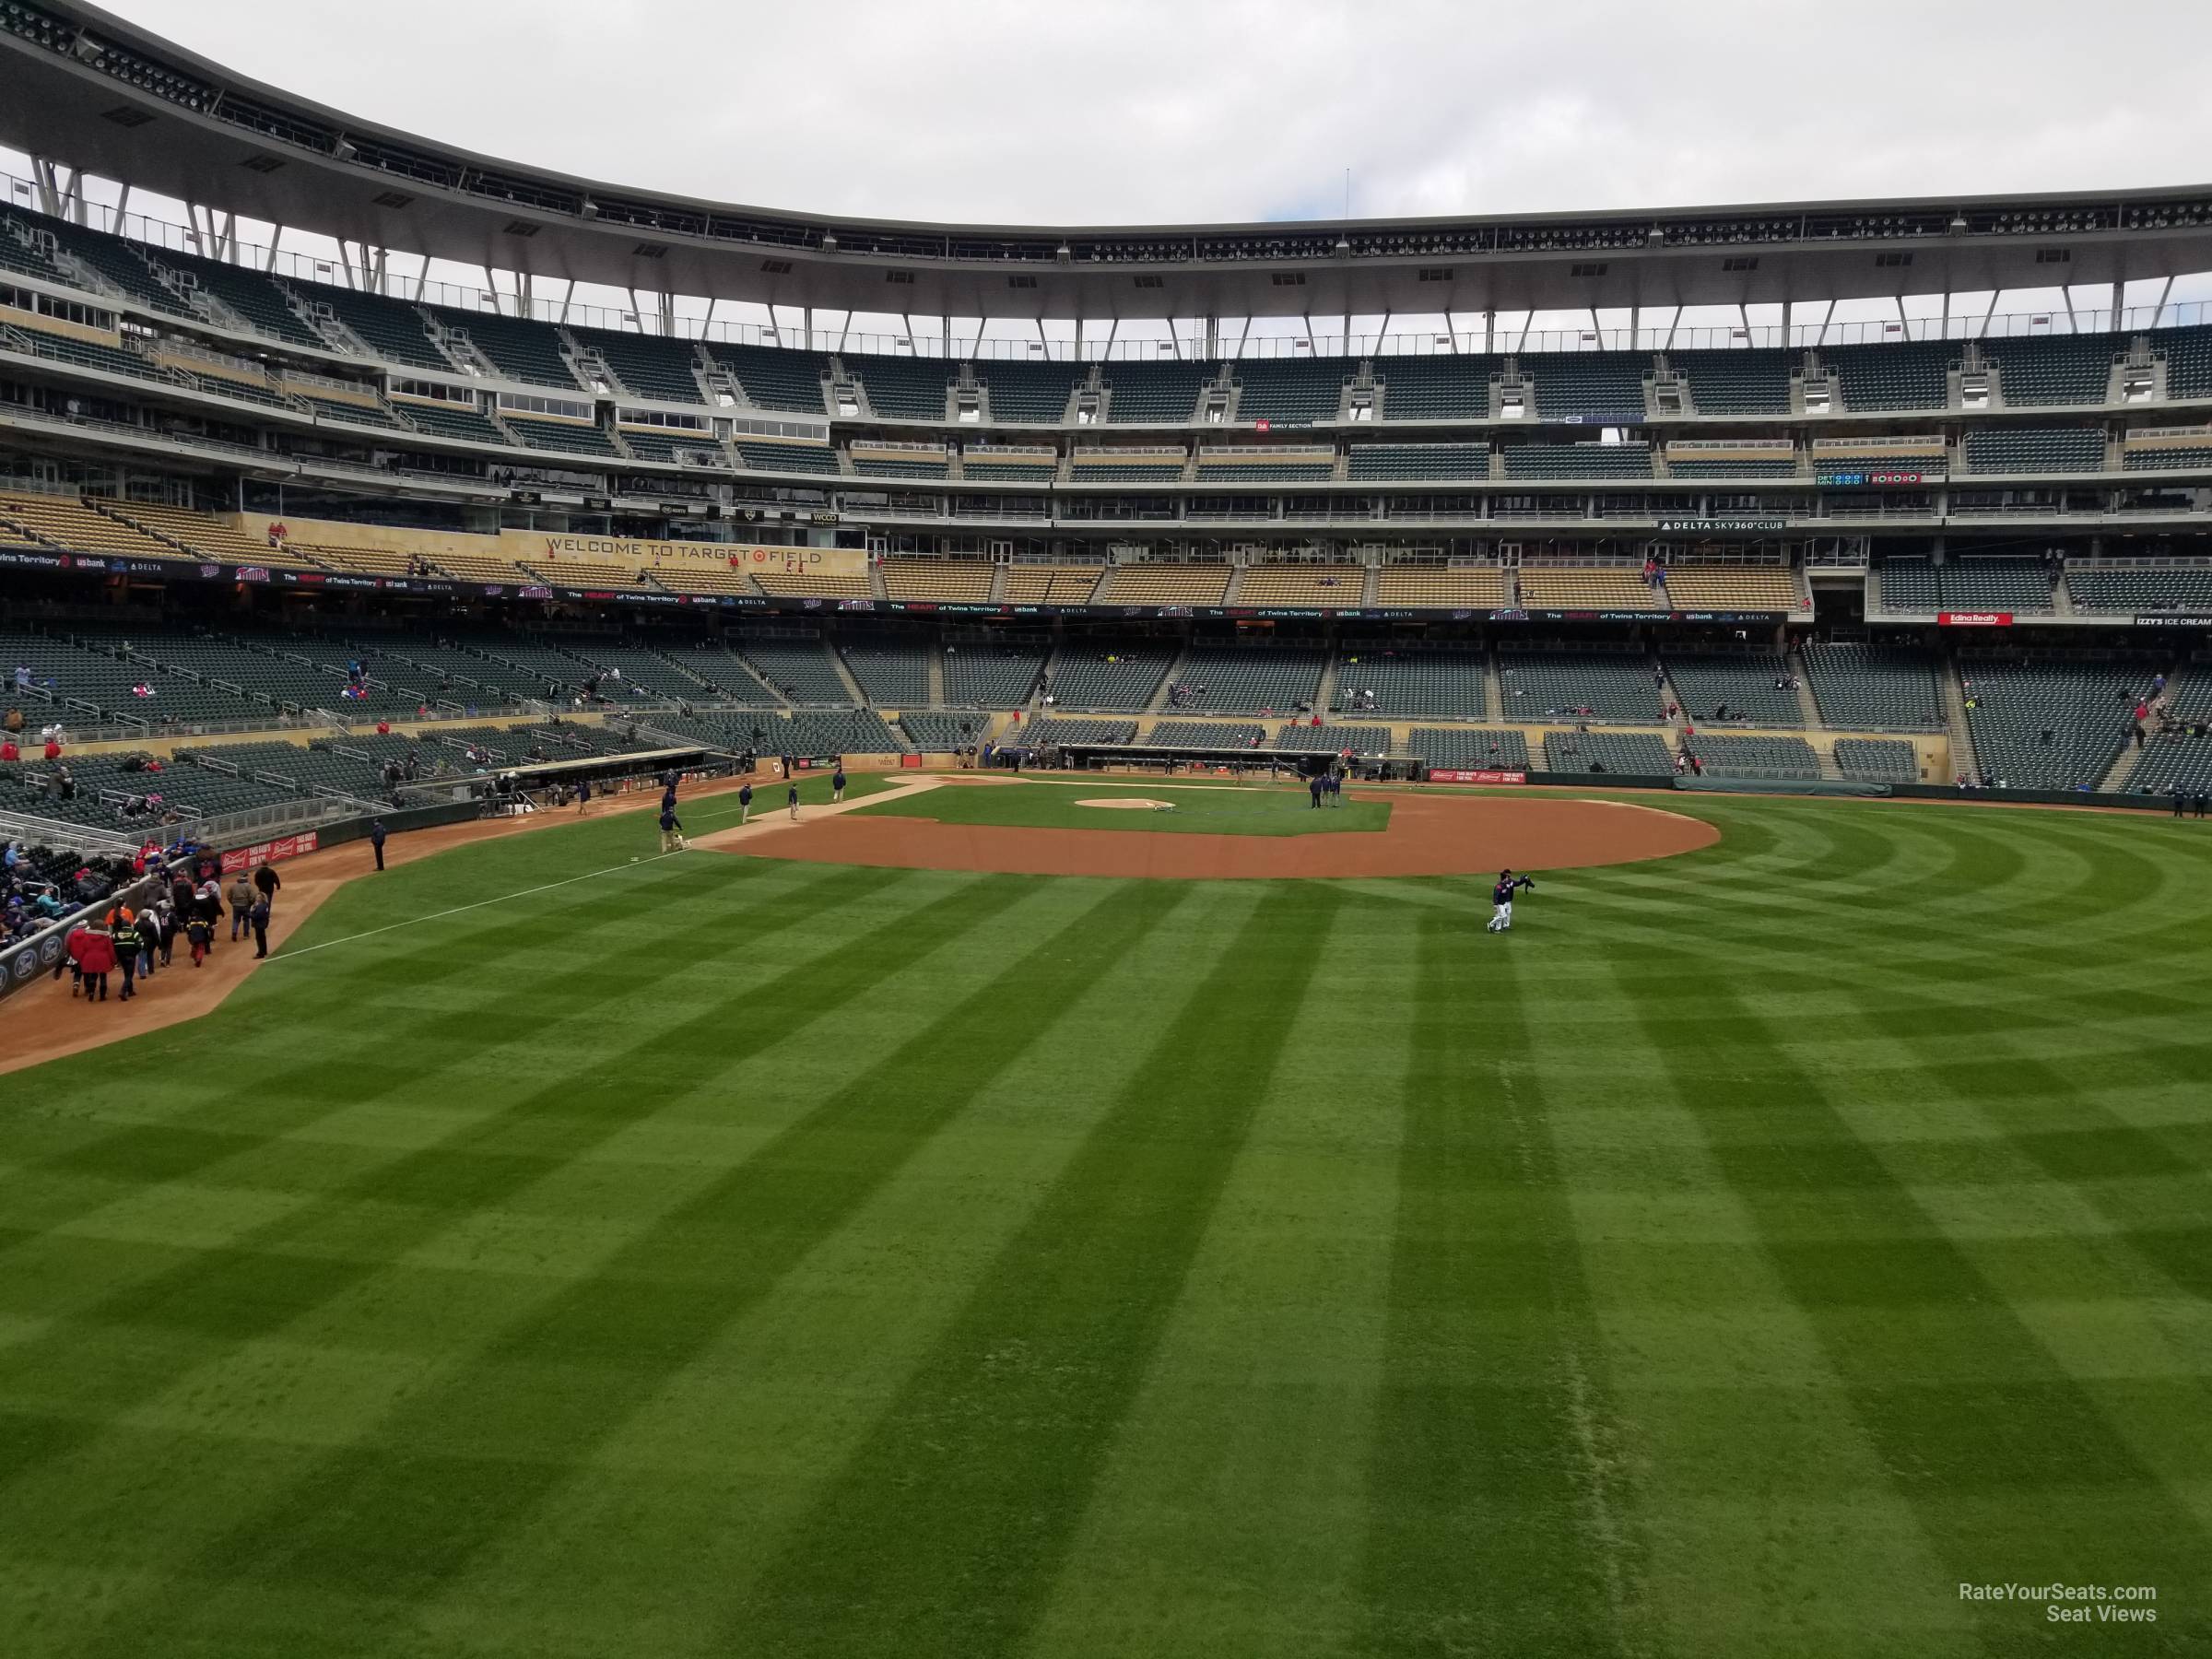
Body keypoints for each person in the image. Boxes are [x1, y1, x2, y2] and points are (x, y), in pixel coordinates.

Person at [74, 920, 116, 1003]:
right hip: (103, 958)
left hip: (90, 958)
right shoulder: (106, 937)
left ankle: (91, 993)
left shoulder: (86, 936)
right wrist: (113, 960)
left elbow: (83, 949)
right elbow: (111, 950)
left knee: (93, 976)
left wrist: (81, 959)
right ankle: (102, 996)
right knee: (103, 977)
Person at [1487, 868, 1536, 934]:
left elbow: (1516, 883)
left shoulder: (1508, 882)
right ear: (1505, 877)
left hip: (1504, 902)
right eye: (1507, 876)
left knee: (1505, 914)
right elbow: (1496, 895)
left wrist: (1524, 880)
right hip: (1500, 903)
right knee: (1501, 915)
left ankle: (1500, 926)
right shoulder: (1499, 885)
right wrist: (1495, 904)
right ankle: (1492, 925)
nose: (1508, 877)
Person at [112, 912, 141, 1002]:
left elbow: (112, 945)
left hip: (121, 957)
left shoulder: (115, 934)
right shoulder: (135, 933)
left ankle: (130, 990)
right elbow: (140, 945)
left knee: (126, 973)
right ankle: (123, 991)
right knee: (129, 975)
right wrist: (134, 953)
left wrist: (118, 955)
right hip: (131, 956)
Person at [227, 869, 257, 942]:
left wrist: (233, 903)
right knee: (246, 919)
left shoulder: (233, 886)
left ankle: (234, 932)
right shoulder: (248, 886)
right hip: (245, 905)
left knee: (236, 920)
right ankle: (246, 935)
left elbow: (229, 896)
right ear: (246, 876)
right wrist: (250, 903)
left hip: (236, 906)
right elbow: (253, 896)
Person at [249, 893, 271, 959]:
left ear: (262, 899)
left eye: (258, 897)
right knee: (262, 938)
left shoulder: (261, 906)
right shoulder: (264, 905)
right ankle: (264, 951)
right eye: (257, 897)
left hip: (259, 924)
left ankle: (260, 954)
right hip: (262, 924)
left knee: (259, 939)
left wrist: (251, 912)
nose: (256, 899)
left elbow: (256, 916)